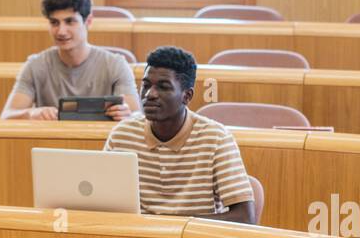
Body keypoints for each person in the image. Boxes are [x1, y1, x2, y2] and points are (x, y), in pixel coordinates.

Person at [103, 46, 254, 222]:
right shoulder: (122, 135)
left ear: (187, 96)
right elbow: (101, 202)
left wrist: (173, 226)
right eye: (145, 85)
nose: (150, 95)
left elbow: (245, 217)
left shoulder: (216, 138)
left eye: (163, 87)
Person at [1, 0, 140, 121]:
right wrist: (31, 113)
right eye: (54, 23)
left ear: (88, 21)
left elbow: (137, 116)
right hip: (50, 141)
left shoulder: (116, 64)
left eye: (70, 22)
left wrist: (126, 114)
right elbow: (6, 116)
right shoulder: (35, 65)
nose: (61, 31)